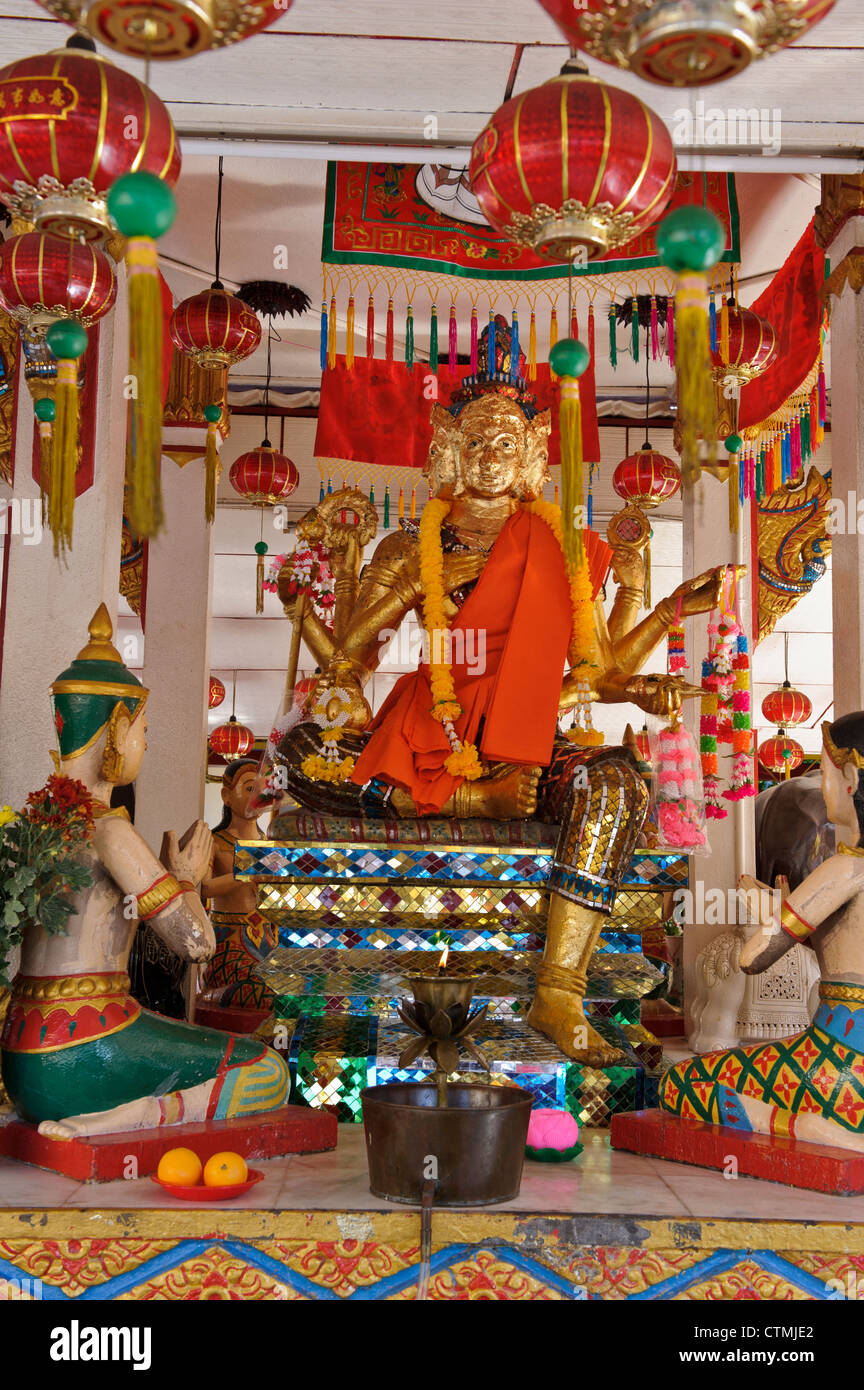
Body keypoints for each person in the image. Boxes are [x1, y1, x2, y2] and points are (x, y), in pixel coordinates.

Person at [1, 606, 289, 1138]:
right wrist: (184, 877)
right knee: (268, 1070)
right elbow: (197, 944)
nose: (146, 745)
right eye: (143, 731)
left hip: (19, 1059)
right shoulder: (109, 831)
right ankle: (127, 1117)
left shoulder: (34, 821)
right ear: (116, 729)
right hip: (86, 1051)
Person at [660, 713, 864, 1153]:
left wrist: (778, 912)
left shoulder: (845, 870)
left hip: (844, 1067)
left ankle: (808, 1128)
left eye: (823, 772)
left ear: (850, 778)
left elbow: (754, 957)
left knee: (682, 1083)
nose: (819, 781)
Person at [199, 759, 277, 1013]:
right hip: (230, 942)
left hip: (270, 938)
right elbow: (204, 889)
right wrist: (246, 870)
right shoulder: (213, 840)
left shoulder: (271, 844)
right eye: (249, 789)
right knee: (262, 993)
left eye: (263, 789)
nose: (258, 797)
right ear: (227, 796)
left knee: (297, 990)